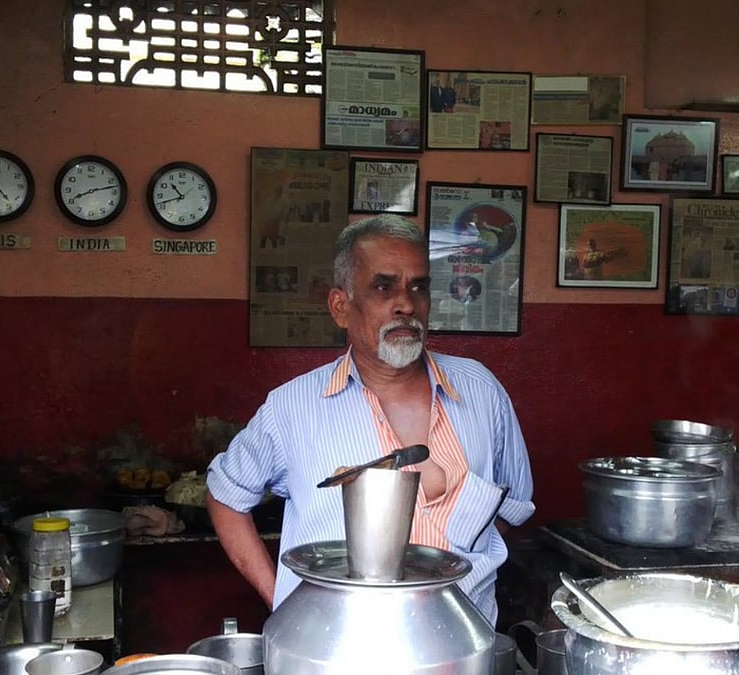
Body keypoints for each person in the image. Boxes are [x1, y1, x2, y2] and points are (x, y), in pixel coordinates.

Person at [206, 214, 535, 626]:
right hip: (336, 647)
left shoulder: (482, 392)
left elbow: (513, 505)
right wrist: (282, 601)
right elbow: (225, 496)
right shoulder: (291, 408)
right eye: (384, 286)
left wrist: (452, 571)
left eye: (418, 287)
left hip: (460, 647)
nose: (406, 304)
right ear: (341, 307)